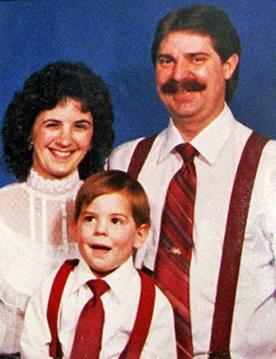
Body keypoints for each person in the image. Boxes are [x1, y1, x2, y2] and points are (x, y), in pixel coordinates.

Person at [107, 4, 276, 359]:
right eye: (166, 60)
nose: (179, 74)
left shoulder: (269, 165)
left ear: (229, 65)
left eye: (196, 58)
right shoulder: (125, 161)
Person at [0, 61, 114, 356]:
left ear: (92, 139)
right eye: (52, 124)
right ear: (29, 132)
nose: (65, 140)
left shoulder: (111, 209)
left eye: (80, 126)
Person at [20, 170, 177, 359]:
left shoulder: (153, 305)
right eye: (90, 219)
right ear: (75, 228)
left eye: (116, 221)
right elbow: (33, 347)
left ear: (139, 235)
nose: (101, 229)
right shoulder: (54, 285)